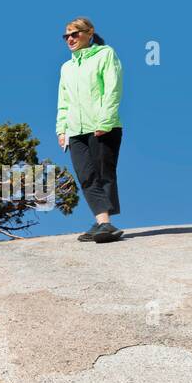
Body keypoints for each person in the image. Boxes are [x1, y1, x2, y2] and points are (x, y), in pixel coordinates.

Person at [57, 17, 124, 242]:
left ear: (90, 33)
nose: (70, 39)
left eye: (74, 34)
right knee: (85, 176)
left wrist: (105, 121)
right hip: (75, 130)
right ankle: (101, 221)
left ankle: (105, 223)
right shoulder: (66, 67)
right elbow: (63, 101)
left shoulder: (105, 54)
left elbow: (113, 88)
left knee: (103, 173)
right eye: (66, 36)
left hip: (103, 126)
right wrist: (61, 130)